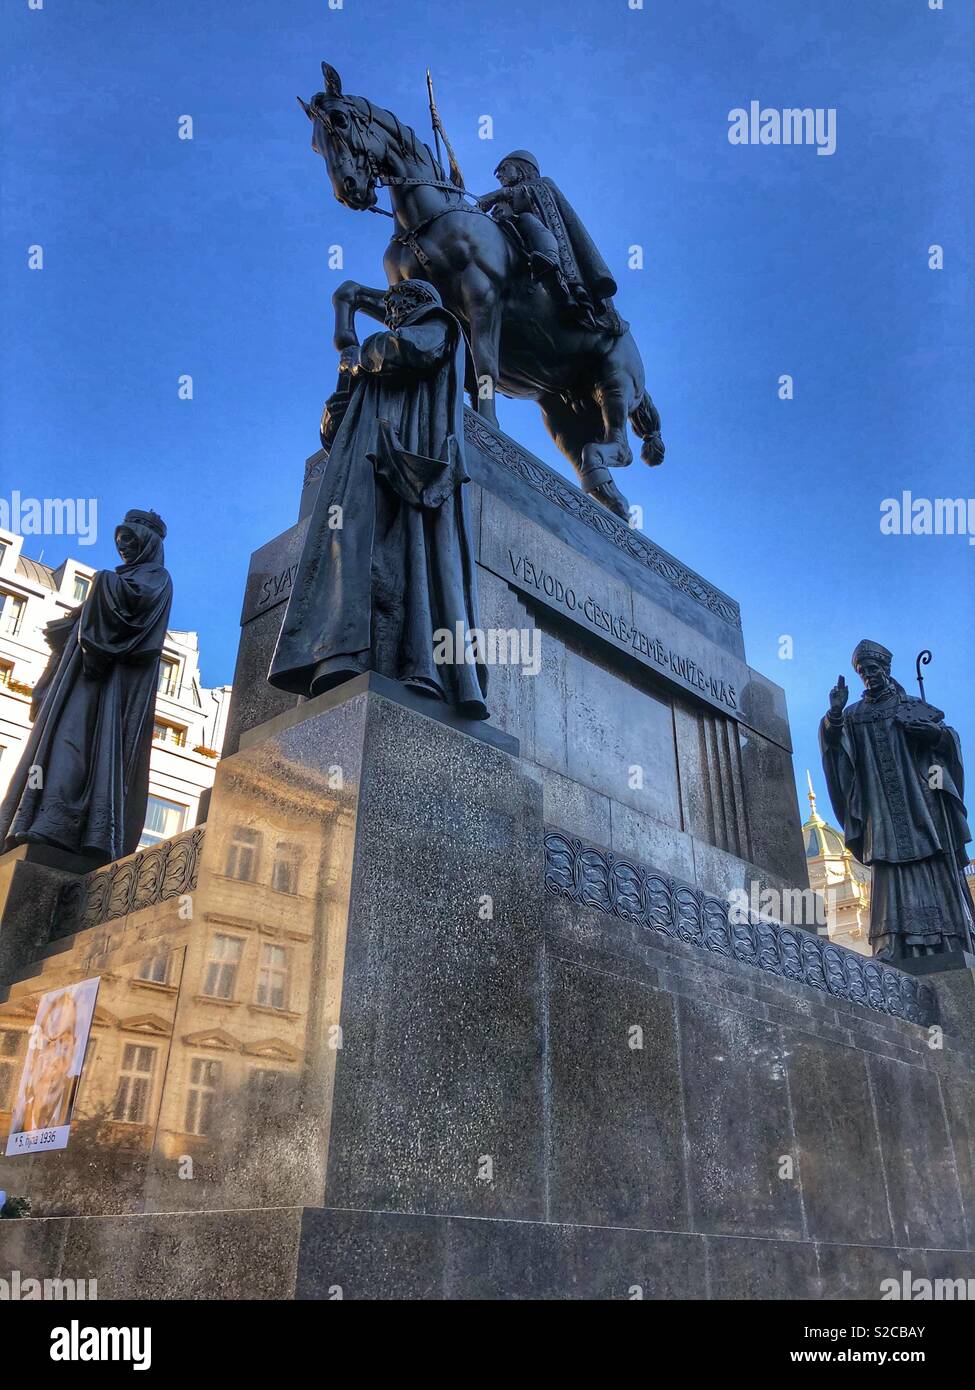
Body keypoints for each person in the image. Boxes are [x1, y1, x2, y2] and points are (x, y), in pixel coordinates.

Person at [269, 280, 488, 719]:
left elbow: (399, 352)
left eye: (399, 305)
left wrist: (356, 354)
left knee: (392, 559)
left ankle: (405, 660)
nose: (393, 312)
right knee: (348, 556)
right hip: (360, 465)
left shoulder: (437, 325)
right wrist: (336, 407)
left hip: (402, 460)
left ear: (417, 303)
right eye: (389, 309)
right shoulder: (386, 350)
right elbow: (335, 430)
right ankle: (342, 655)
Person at [0, 510, 173, 865]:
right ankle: (40, 819)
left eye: (130, 540)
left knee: (77, 746)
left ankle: (60, 824)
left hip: (108, 686)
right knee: (57, 745)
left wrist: (101, 592)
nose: (123, 548)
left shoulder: (157, 578)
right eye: (119, 541)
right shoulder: (124, 579)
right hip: (78, 681)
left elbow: (129, 622)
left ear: (149, 541)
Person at [819, 639, 975, 962]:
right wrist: (833, 715)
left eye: (873, 670)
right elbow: (835, 747)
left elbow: (947, 741)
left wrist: (935, 736)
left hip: (920, 802)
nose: (869, 677)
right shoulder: (854, 715)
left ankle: (949, 938)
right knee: (888, 868)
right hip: (881, 808)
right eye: (863, 673)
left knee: (932, 860)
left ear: (886, 670)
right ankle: (891, 942)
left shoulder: (912, 707)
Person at [477, 151, 623, 333]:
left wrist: (495, 196)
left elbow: (525, 196)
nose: (499, 175)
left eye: (504, 168)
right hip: (519, 243)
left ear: (521, 169)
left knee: (527, 219)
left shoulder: (543, 184)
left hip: (543, 239)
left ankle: (551, 266)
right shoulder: (509, 196)